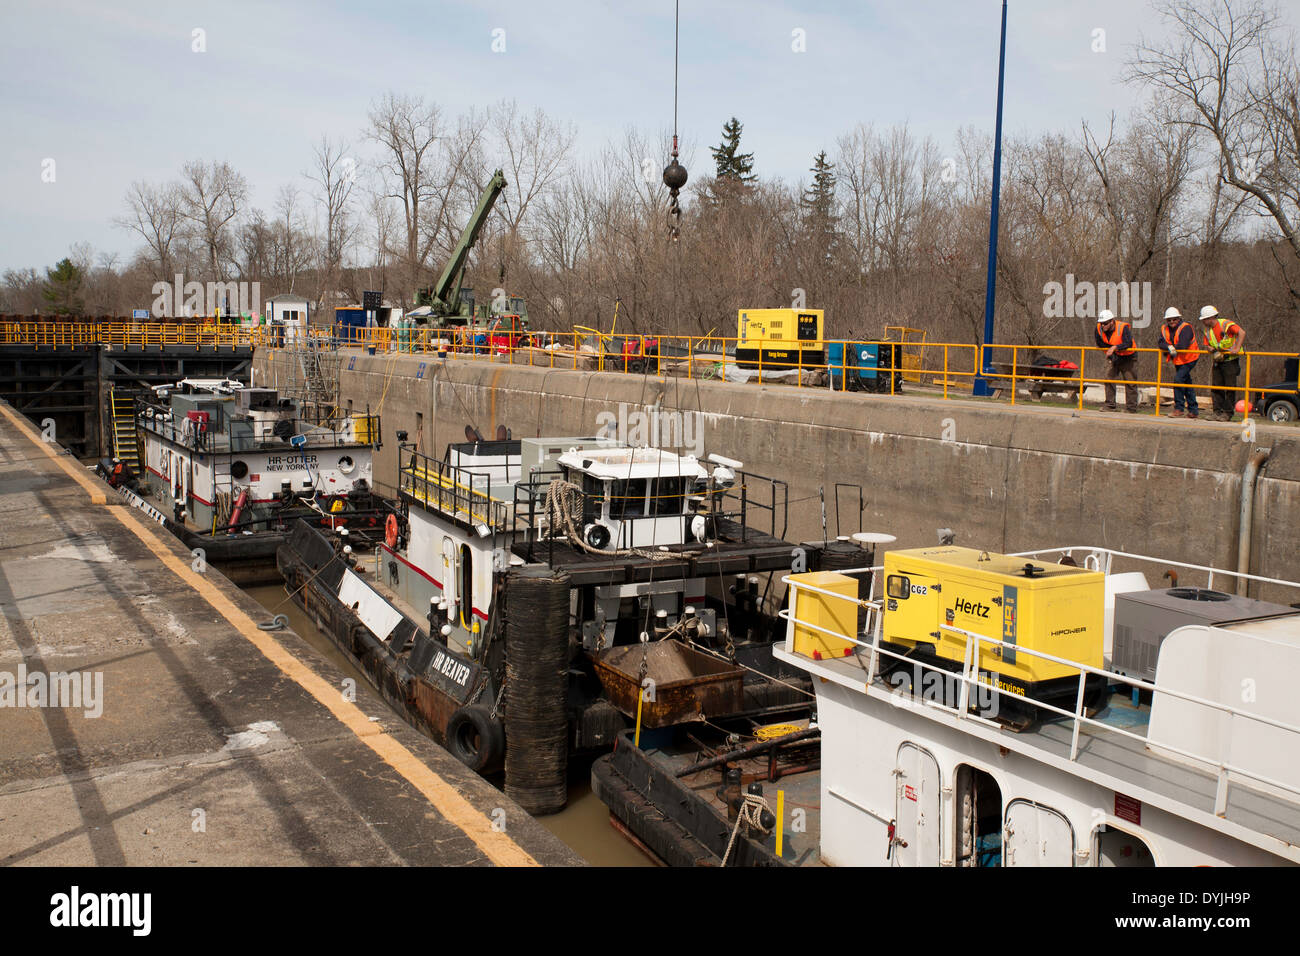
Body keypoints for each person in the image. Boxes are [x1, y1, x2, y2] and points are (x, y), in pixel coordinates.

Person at [1198, 305, 1246, 421]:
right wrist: (1210, 349)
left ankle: (1227, 413)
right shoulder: (1207, 330)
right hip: (1218, 360)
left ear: (1211, 318)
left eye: (1204, 319)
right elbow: (1207, 345)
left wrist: (1237, 348)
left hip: (1230, 360)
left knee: (1230, 387)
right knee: (1216, 387)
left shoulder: (1225, 324)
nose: (1203, 321)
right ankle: (1216, 412)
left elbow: (1242, 333)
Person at [1093, 309, 1139, 412]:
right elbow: (1099, 342)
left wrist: (1115, 347)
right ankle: (1110, 405)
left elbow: (1128, 343)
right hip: (1114, 357)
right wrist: (1111, 352)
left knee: (1130, 382)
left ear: (1112, 321)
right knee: (1109, 378)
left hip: (1129, 357)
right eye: (1101, 323)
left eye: (1105, 323)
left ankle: (1131, 408)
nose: (1103, 326)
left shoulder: (1122, 328)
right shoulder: (1099, 329)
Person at [1159, 306, 1200, 418]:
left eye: (1174, 319)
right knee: (1186, 383)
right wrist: (1168, 347)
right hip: (1178, 360)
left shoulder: (1185, 328)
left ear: (1179, 318)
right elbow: (1160, 343)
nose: (1172, 322)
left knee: (1178, 380)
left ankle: (1179, 408)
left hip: (1189, 358)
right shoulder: (1164, 329)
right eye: (1169, 320)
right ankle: (1193, 410)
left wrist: (1171, 348)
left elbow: (1183, 345)